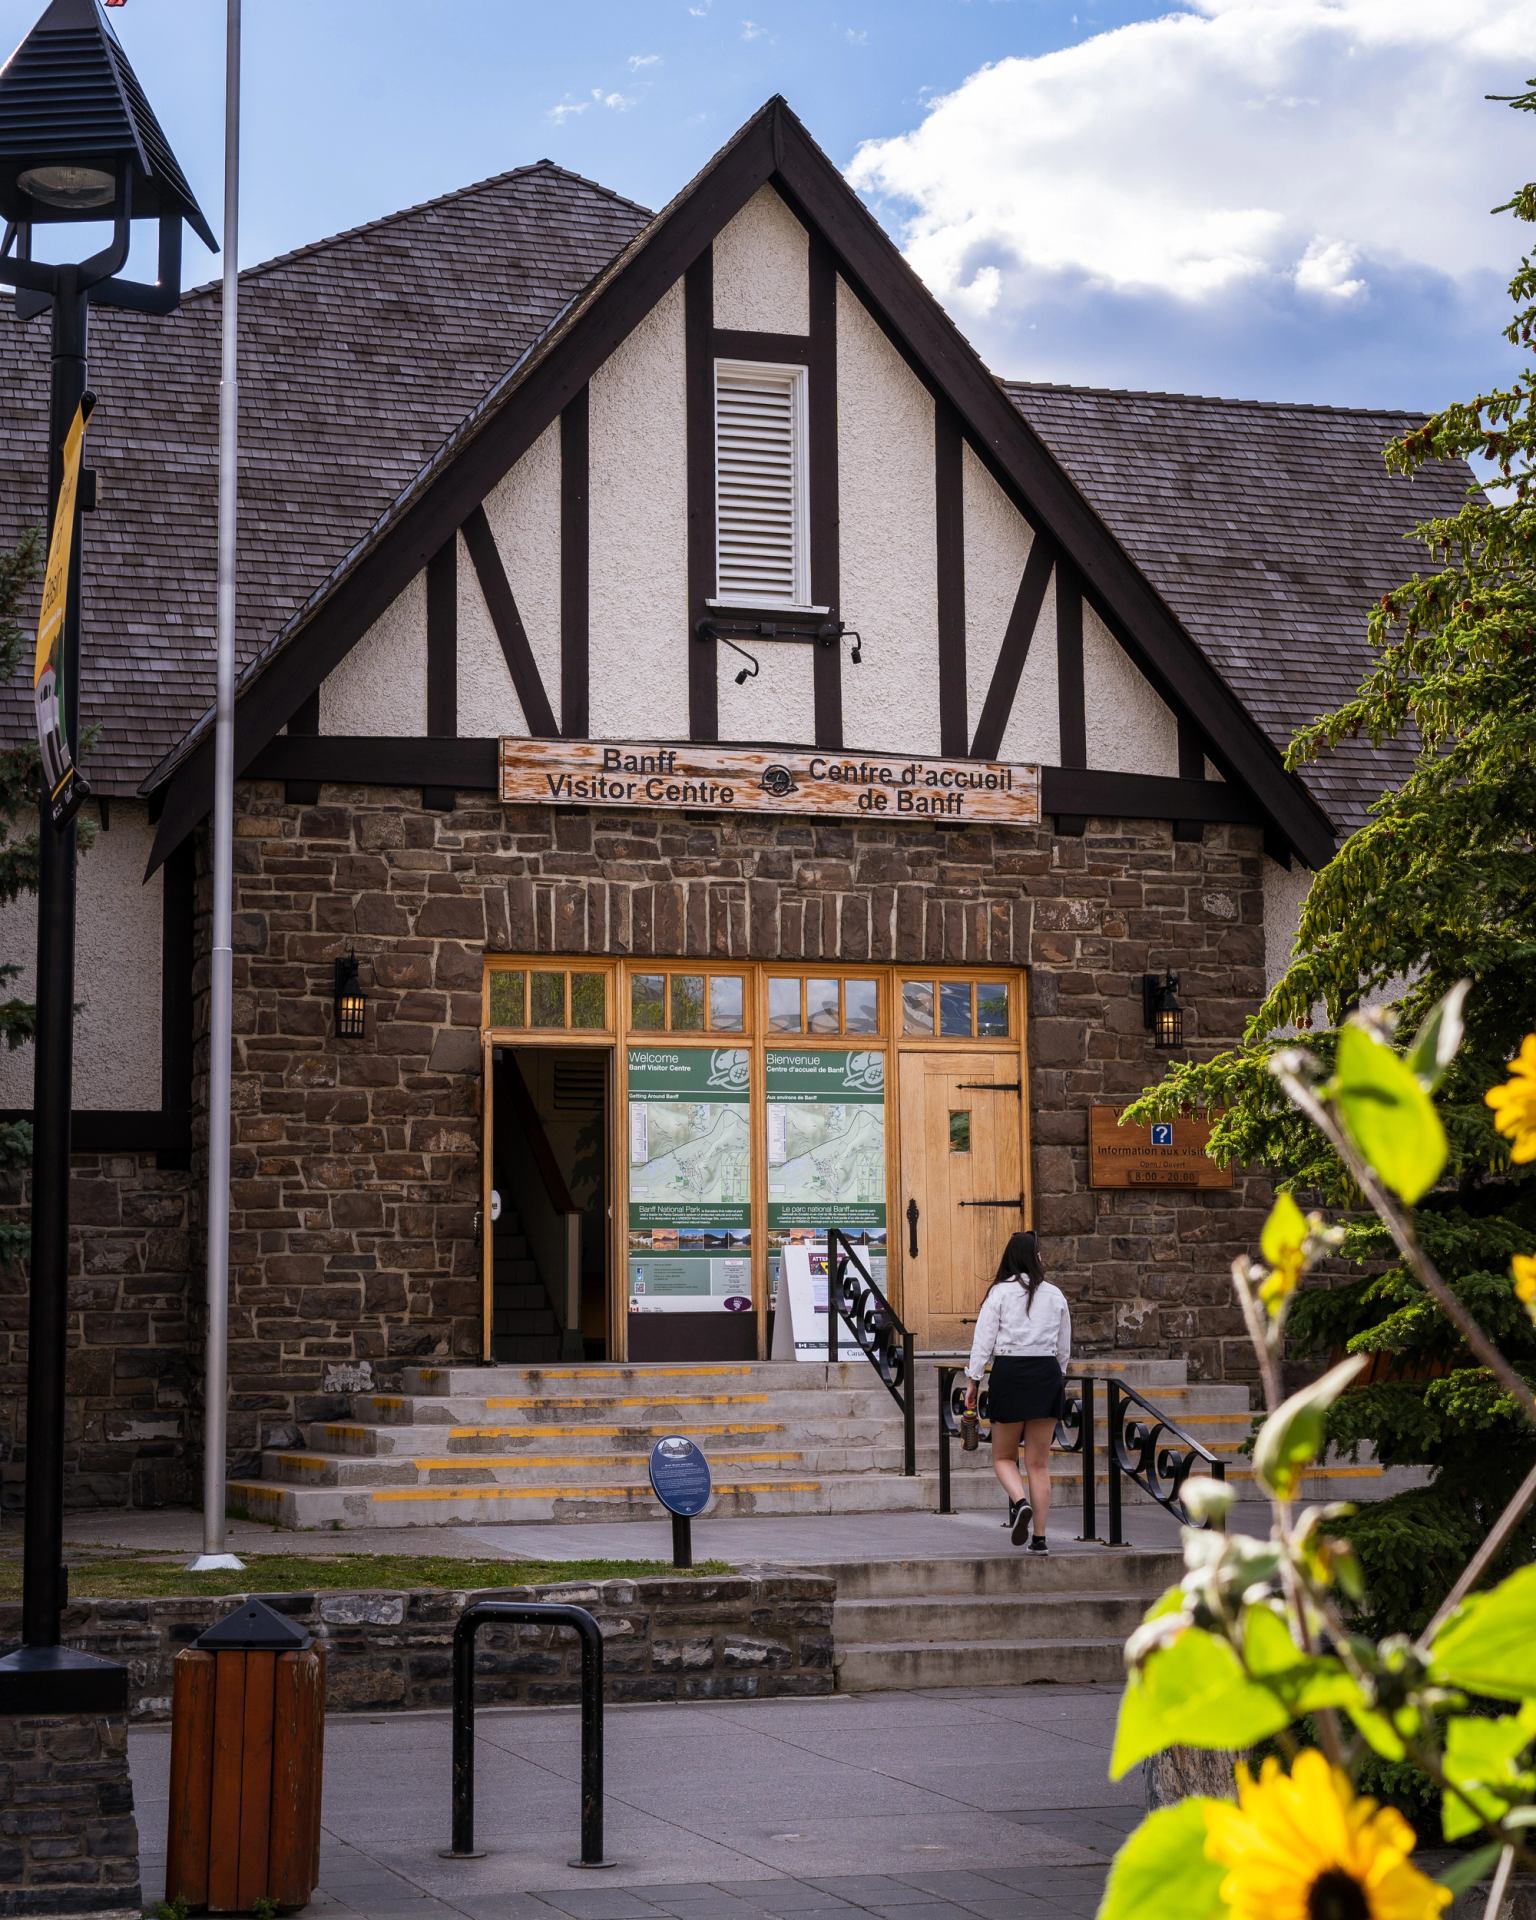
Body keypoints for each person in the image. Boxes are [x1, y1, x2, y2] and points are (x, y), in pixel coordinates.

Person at [964, 1230, 1071, 1552]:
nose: (1042, 1259)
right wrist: (1058, 1377)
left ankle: (1020, 1501)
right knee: (1038, 1464)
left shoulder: (999, 1293)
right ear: (1032, 1257)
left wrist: (973, 1380)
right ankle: (1040, 1539)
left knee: (1003, 1457)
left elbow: (983, 1340)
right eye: (1039, 1254)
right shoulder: (1055, 1294)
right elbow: (1063, 1346)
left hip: (1010, 1372)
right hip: (1046, 1373)